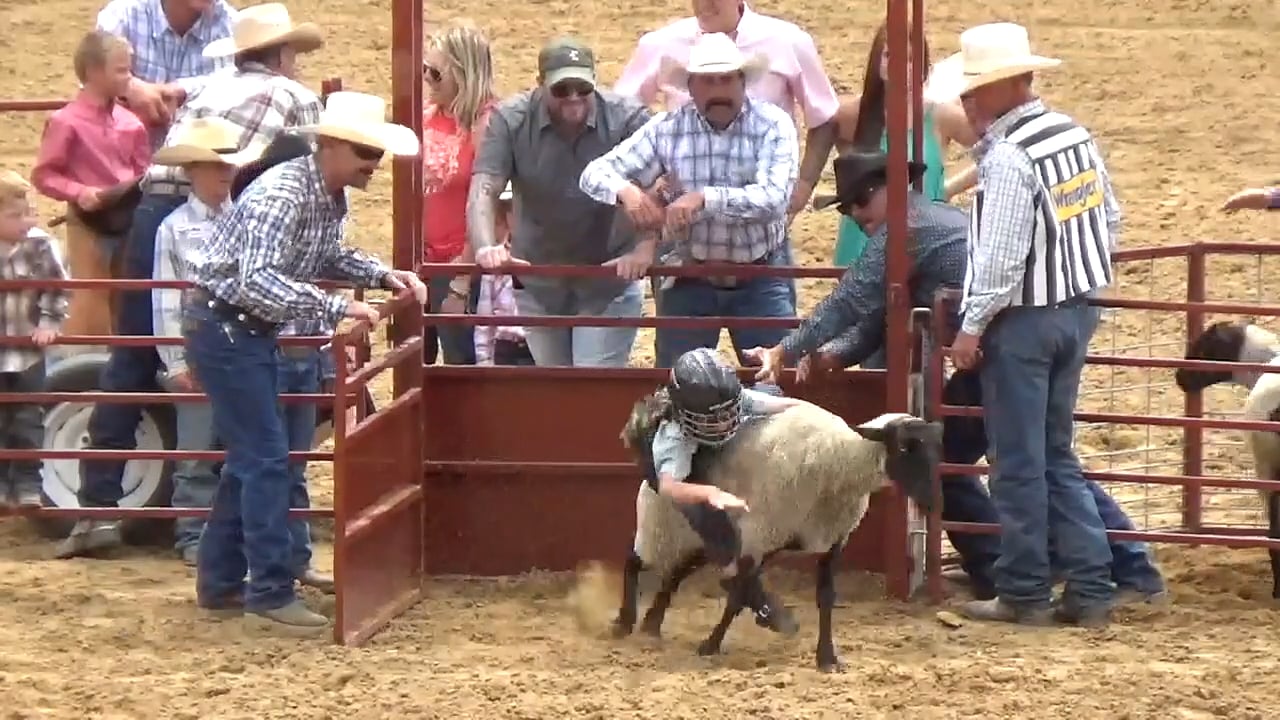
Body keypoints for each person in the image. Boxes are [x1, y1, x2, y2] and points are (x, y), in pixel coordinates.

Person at [748, 151, 1165, 605]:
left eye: (854, 206)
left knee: (973, 460)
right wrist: (832, 354)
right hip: (1014, 343)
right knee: (1039, 458)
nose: (854, 217)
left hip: (1002, 353)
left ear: (876, 195)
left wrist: (784, 350)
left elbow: (849, 301)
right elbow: (881, 312)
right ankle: (1118, 565)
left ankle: (1010, 566)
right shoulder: (933, 220)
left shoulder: (906, 231)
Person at [58, 2, 326, 560]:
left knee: (131, 356)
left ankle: (97, 509)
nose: (296, 62)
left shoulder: (214, 86)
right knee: (236, 342)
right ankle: (222, 525)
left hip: (154, 207)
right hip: (214, 206)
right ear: (280, 54)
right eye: (293, 52)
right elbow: (309, 162)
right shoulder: (292, 96)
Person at [182, 91, 425, 632]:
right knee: (267, 458)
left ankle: (223, 581)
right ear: (333, 146)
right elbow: (257, 280)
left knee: (254, 458)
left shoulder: (322, 193)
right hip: (228, 327)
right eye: (367, 154)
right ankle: (267, 590)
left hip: (236, 329)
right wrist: (338, 304)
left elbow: (326, 255)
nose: (373, 167)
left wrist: (382, 275)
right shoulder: (283, 195)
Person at [925, 22, 1123, 626]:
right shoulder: (1071, 135)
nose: (966, 103)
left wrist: (971, 326)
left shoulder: (1011, 157)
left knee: (1017, 462)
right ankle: (1091, 586)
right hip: (1077, 307)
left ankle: (1024, 589)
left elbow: (1002, 258)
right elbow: (1109, 216)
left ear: (1001, 88)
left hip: (1025, 322)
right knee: (1056, 454)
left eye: (972, 91)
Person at [579, 32, 798, 369]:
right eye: (708, 82)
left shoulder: (773, 125)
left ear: (742, 82)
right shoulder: (667, 129)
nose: (719, 91)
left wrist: (703, 198)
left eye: (726, 80)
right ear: (691, 87)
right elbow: (593, 174)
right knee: (678, 387)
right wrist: (628, 192)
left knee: (775, 383)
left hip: (761, 272)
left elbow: (774, 198)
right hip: (691, 275)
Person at [614, 0, 841, 307]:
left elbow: (824, 117)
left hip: (760, 236)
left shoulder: (789, 41)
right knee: (685, 349)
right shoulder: (658, 44)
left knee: (769, 348)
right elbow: (619, 117)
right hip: (684, 239)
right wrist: (646, 188)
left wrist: (801, 186)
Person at [468, 37, 655, 368]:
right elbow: (485, 187)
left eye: (582, 88)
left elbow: (660, 186)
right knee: (556, 388)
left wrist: (645, 248)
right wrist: (486, 247)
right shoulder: (511, 120)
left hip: (607, 281)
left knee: (590, 387)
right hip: (540, 283)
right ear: (540, 85)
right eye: (561, 88)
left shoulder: (628, 119)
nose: (573, 97)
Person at [149, 117, 263, 565]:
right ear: (192, 171)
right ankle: (195, 536)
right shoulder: (173, 228)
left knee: (241, 448)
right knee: (198, 451)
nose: (224, 174)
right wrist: (176, 361)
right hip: (200, 351)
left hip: (241, 348)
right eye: (214, 167)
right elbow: (164, 299)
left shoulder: (246, 219)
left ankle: (223, 537)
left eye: (227, 166)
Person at [641, 347, 802, 630]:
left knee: (773, 395)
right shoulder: (674, 435)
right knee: (710, 520)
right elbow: (669, 486)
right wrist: (710, 493)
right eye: (711, 419)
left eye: (729, 412)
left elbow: (784, 406)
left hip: (714, 449)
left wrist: (813, 417)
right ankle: (753, 596)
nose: (726, 421)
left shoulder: (733, 400)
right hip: (681, 473)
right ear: (686, 415)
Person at [31, 30, 151, 339]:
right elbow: (44, 174)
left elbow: (144, 172)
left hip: (127, 216)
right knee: (90, 298)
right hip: (88, 221)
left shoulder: (132, 123)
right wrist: (79, 192)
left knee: (127, 297)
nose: (129, 77)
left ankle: (121, 368)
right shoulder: (65, 122)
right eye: (121, 70)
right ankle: (83, 368)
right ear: (94, 72)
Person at [831, 20, 977, 268]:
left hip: (924, 238)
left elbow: (995, 147)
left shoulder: (941, 116)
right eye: (890, 55)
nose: (901, 65)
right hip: (861, 242)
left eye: (910, 58)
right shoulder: (850, 116)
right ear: (877, 61)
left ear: (922, 65)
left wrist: (948, 188)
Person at [421, 23, 499, 366]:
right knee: (415, 366)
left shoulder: (488, 125)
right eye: (426, 70)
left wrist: (462, 280)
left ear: (463, 75)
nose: (427, 79)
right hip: (423, 264)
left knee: (461, 365)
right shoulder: (427, 118)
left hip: (461, 266)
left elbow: (490, 204)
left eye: (436, 73)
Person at [0, 173, 70, 508]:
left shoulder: (41, 244)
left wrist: (49, 321)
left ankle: (28, 485)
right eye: (15, 216)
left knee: (28, 418)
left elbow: (58, 286)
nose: (26, 221)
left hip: (27, 350)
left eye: (29, 212)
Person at [95, 0, 238, 147]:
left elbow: (238, 85)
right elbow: (91, 84)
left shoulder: (232, 27)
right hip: (122, 159)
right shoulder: (123, 15)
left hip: (195, 165)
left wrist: (182, 90)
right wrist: (129, 87)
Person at [473, 183, 533, 366]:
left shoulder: (550, 258)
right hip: (506, 349)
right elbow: (484, 318)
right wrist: (484, 361)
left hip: (539, 347)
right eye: (514, 211)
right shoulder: (495, 260)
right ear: (507, 217)